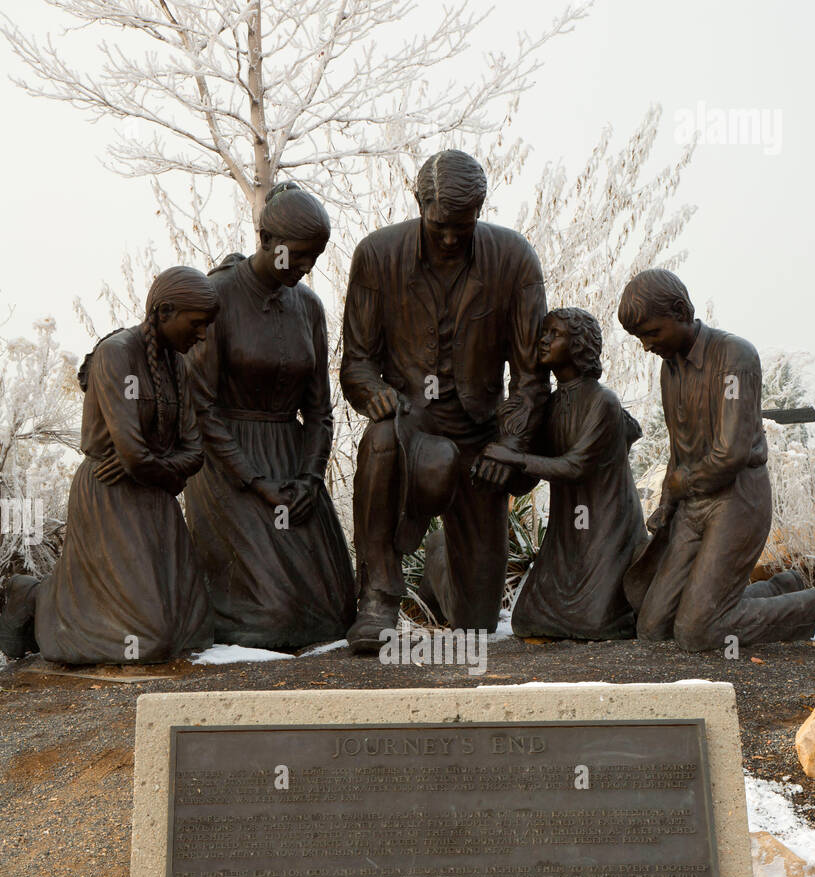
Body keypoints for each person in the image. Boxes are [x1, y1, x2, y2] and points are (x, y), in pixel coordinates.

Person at [340, 149, 549, 652]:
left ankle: (441, 559)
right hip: (410, 425)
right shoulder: (377, 255)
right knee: (380, 440)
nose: (452, 237)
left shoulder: (514, 258)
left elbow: (530, 377)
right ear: (419, 204)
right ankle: (379, 594)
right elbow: (356, 363)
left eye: (464, 224)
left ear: (480, 209)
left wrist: (510, 444)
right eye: (440, 226)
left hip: (482, 438)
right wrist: (376, 394)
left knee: (475, 625)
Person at [616, 268, 815, 649]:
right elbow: (679, 446)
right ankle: (779, 591)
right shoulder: (670, 370)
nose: (647, 346)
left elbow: (730, 452)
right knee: (653, 628)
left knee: (696, 632)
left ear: (682, 311)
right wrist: (668, 501)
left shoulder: (735, 357)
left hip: (736, 499)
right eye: (640, 338)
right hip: (692, 505)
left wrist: (683, 482)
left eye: (652, 333)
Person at [0, 266, 217, 665]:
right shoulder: (116, 353)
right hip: (109, 491)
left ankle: (60, 597)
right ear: (165, 311)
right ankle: (34, 599)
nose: (202, 334)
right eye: (197, 324)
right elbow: (131, 452)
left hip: (155, 495)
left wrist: (154, 467)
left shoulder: (179, 366)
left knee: (193, 631)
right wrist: (160, 466)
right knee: (146, 639)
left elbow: (194, 451)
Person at [183, 182, 355, 651]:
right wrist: (256, 482)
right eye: (296, 256)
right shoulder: (216, 296)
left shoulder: (310, 307)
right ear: (265, 240)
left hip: (292, 461)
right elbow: (202, 407)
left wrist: (310, 477)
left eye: (314, 258)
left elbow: (319, 408)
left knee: (335, 613)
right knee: (274, 618)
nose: (305, 268)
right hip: (228, 465)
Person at [475, 308, 647, 640]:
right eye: (543, 333)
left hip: (606, 529)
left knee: (595, 623)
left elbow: (575, 466)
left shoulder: (603, 402)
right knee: (527, 619)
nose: (544, 340)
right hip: (567, 534)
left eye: (554, 334)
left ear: (580, 344)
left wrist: (513, 456)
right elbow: (529, 477)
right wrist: (504, 441)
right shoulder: (551, 405)